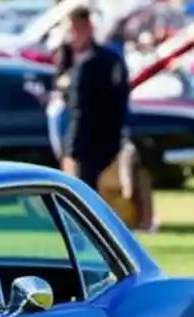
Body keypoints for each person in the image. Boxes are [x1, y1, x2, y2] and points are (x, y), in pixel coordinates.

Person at [60, 5, 130, 192]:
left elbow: (117, 101)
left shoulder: (106, 61)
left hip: (97, 136)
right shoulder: (66, 56)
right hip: (71, 131)